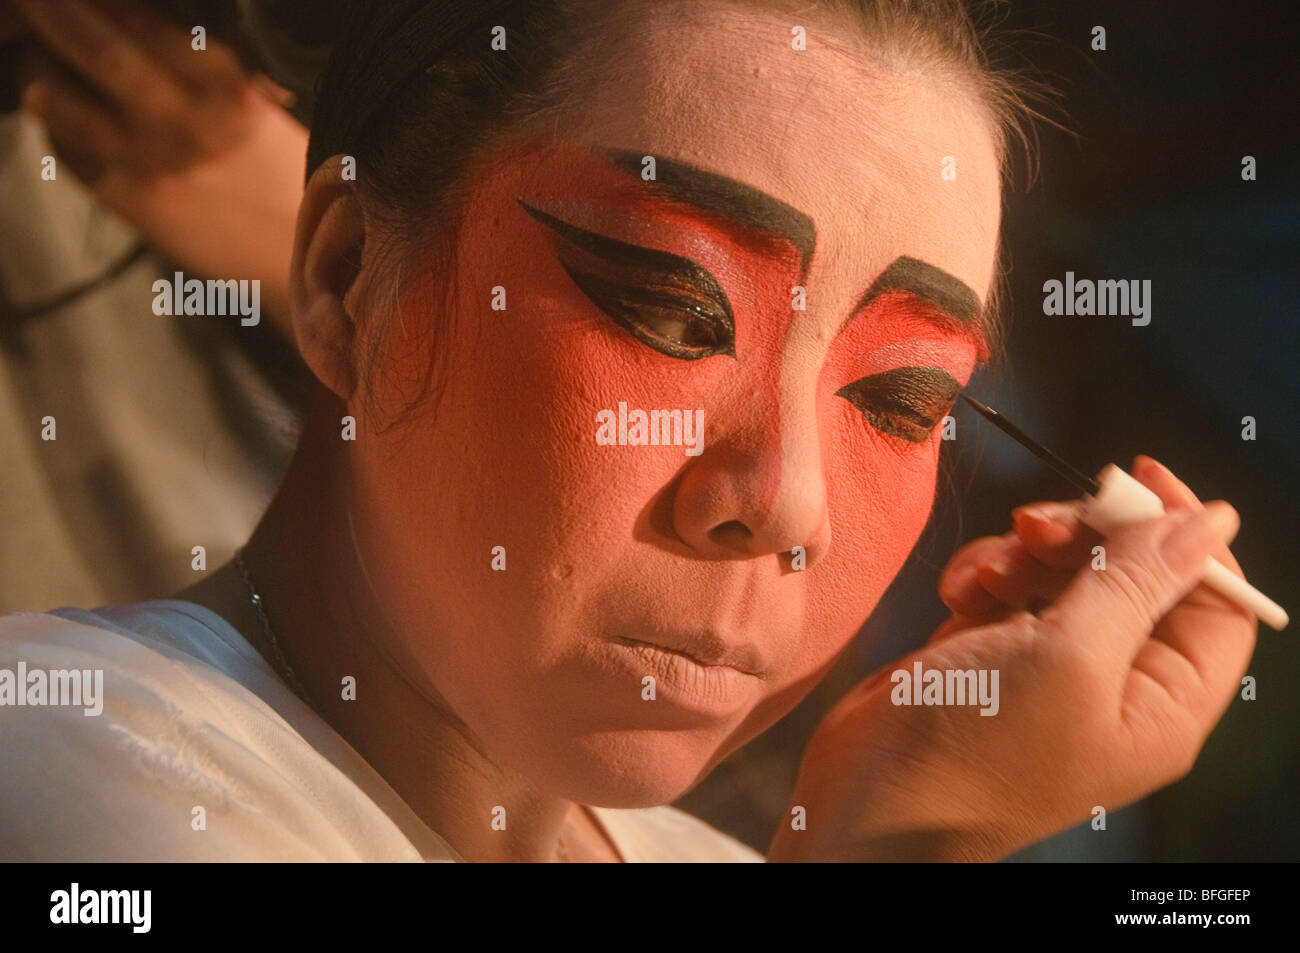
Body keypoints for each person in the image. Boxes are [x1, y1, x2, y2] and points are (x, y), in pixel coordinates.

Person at [0, 0, 1255, 862]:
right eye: (670, 308)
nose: (789, 500)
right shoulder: (66, 766)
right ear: (345, 277)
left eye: (901, 399)